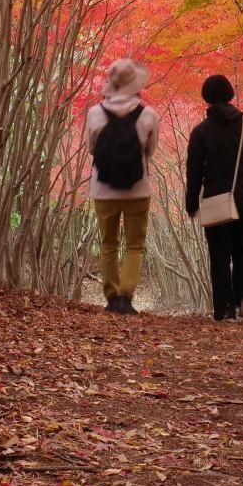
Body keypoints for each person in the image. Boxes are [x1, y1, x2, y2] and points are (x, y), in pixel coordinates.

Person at [186, 74, 243, 321]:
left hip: (215, 202)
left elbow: (194, 171)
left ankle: (224, 308)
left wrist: (191, 202)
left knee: (218, 254)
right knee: (242, 250)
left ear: (207, 98)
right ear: (231, 94)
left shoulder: (200, 132)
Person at [86, 58, 159, 314]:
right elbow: (149, 152)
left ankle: (111, 296)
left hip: (103, 190)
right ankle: (126, 298)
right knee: (134, 245)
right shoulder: (148, 114)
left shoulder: (95, 113)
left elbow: (92, 149)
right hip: (137, 190)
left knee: (108, 244)